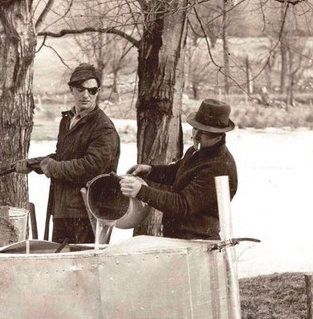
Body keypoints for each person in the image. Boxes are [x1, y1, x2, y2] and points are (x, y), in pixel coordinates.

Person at [15, 63, 120, 244]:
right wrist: (34, 164)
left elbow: (91, 166)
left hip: (88, 213)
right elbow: (63, 156)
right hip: (63, 211)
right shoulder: (67, 120)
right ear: (71, 89)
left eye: (92, 90)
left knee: (83, 270)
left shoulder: (104, 128)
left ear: (98, 91)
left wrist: (52, 167)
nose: (86, 95)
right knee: (58, 267)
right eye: (80, 89)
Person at [119, 98, 237, 240]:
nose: (196, 136)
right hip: (177, 235)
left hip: (198, 241)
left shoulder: (219, 166)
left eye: (204, 133)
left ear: (218, 137)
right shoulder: (198, 151)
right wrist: (151, 170)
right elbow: (178, 171)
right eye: (195, 129)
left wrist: (141, 191)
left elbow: (183, 205)